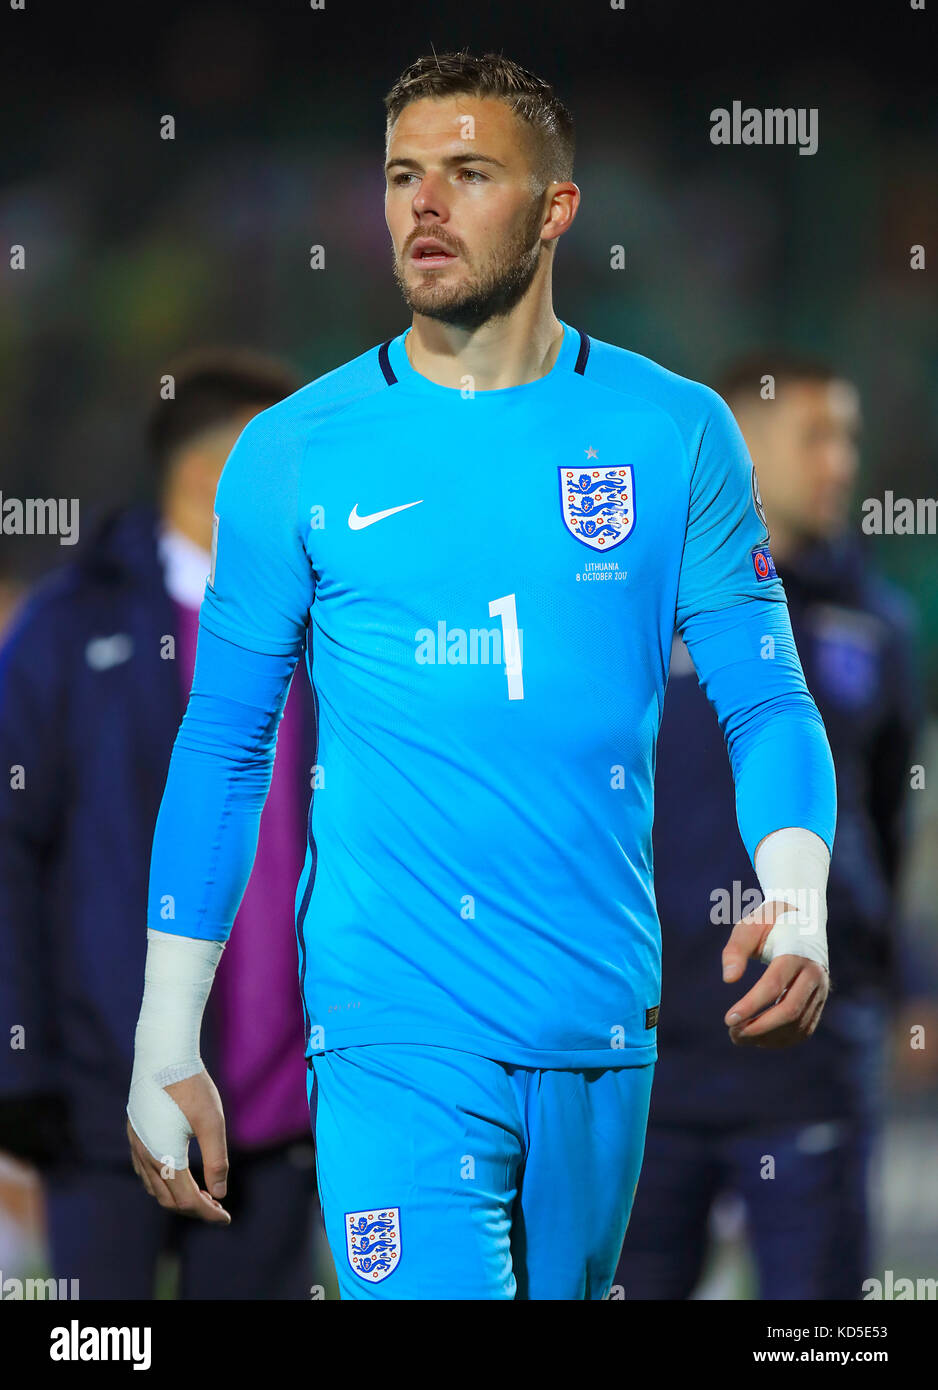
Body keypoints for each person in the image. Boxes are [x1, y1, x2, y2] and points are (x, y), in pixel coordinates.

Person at [126, 51, 837, 1301]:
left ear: (556, 209)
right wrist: (163, 1021)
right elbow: (226, 745)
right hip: (392, 1021)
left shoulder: (669, 433)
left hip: (601, 1018)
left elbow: (765, 696)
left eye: (466, 173)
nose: (423, 206)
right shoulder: (292, 452)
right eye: (403, 175)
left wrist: (795, 893)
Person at [0, 349, 322, 1299]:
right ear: (212, 471)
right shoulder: (70, 627)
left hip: (279, 1109)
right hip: (100, 1104)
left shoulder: (332, 630)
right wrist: (17, 1060)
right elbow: (8, 848)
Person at [615, 353, 922, 1299]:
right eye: (816, 438)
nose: (842, 464)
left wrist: (887, 972)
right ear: (743, 446)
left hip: (808, 1051)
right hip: (648, 1050)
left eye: (850, 439)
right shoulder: (632, 602)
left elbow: (881, 818)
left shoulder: (877, 621)